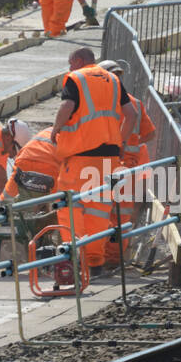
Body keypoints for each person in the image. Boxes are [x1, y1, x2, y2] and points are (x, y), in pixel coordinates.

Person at [51, 48, 137, 280]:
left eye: (70, 63)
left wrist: (56, 129)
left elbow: (67, 107)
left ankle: (72, 261)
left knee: (71, 208)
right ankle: (95, 264)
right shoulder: (113, 80)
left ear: (78, 61)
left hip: (80, 157)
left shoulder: (75, 78)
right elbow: (131, 114)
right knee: (98, 213)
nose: (69, 68)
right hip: (108, 158)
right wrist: (122, 142)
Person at [101, 60, 156, 265]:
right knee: (122, 217)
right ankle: (115, 260)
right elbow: (150, 134)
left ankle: (101, 259)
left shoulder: (99, 104)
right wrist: (133, 146)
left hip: (104, 167)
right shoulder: (134, 103)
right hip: (129, 169)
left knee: (101, 214)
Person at [2, 128, 61, 199]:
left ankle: (0, 208)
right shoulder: (71, 134)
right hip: (49, 163)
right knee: (57, 202)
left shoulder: (48, 131)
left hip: (24, 158)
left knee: (8, 197)